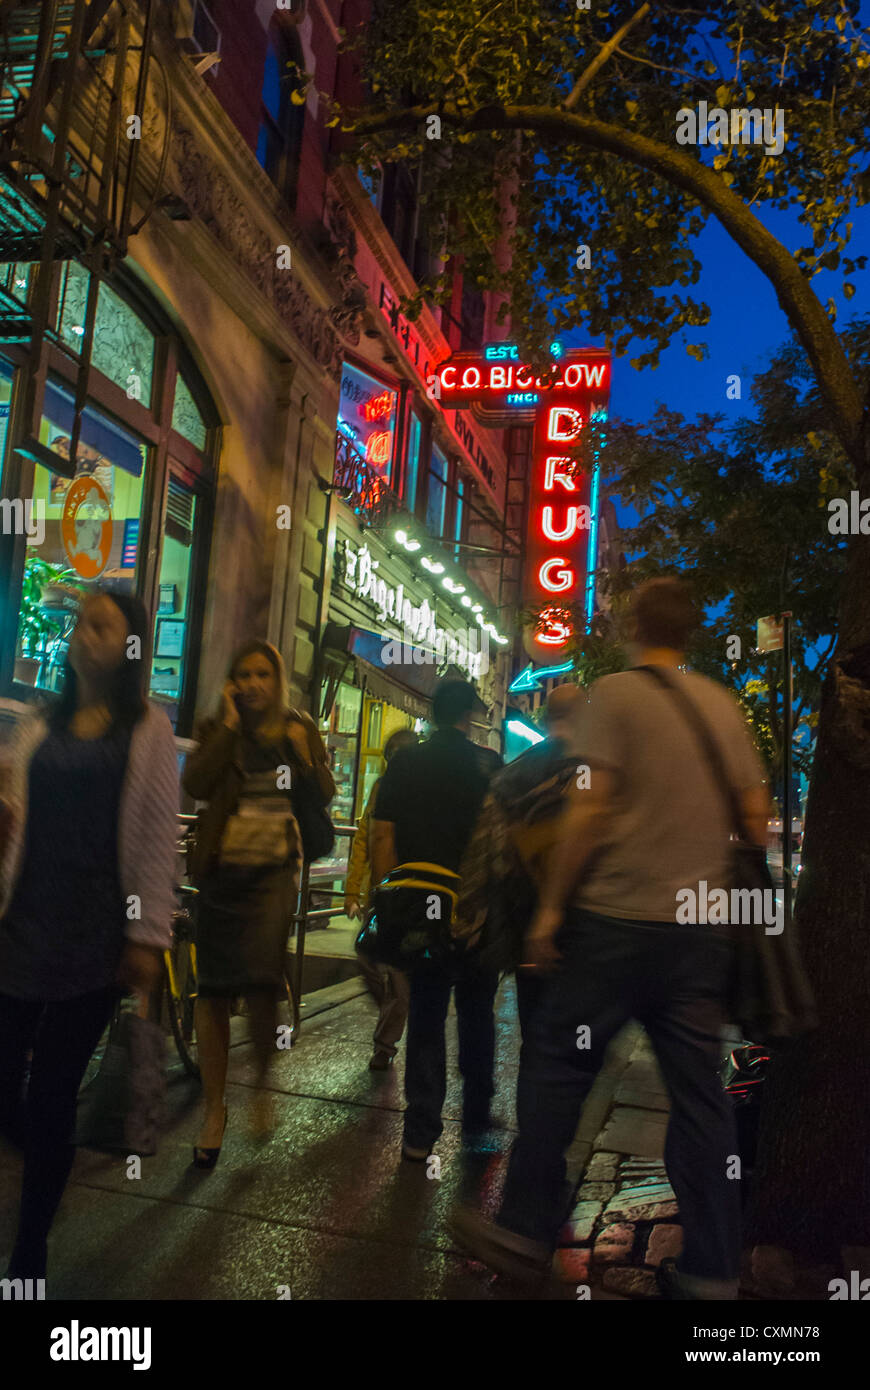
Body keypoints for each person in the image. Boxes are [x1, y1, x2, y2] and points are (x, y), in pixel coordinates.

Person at [449, 578, 770, 1298]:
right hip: (697, 933)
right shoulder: (721, 707)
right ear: (690, 631)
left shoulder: (615, 699)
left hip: (616, 927)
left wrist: (552, 911)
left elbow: (588, 813)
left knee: (558, 1071)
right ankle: (712, 1268)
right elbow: (755, 819)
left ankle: (526, 1230)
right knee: (699, 1102)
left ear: (633, 624)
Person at [0, 591, 179, 1283]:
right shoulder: (43, 722)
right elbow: (17, 811)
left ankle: (29, 1250)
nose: (83, 636)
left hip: (95, 935)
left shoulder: (148, 730)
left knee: (52, 1091)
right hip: (21, 923)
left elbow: (158, 839)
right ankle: (48, 1155)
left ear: (130, 646)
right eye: (80, 624)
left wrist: (147, 936)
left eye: (101, 626)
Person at [182, 640, 334, 1164]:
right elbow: (196, 782)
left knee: (262, 980)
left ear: (277, 679)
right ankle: (215, 1108)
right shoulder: (218, 732)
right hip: (222, 873)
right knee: (213, 991)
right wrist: (225, 726)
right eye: (242, 675)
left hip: (273, 875)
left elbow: (324, 794)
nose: (251, 684)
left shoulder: (297, 729)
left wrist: (304, 750)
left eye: (262, 674)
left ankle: (264, 1081)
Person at [371, 680, 498, 1161]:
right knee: (476, 1010)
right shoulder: (489, 765)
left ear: (431, 710)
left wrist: (386, 904)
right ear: (468, 715)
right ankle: (477, 1113)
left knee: (425, 1011)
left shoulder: (406, 763)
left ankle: (420, 1132)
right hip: (476, 908)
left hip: (420, 905)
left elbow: (383, 839)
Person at [455, 683, 583, 1057]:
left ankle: (531, 1108)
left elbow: (487, 853)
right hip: (584, 925)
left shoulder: (514, 774)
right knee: (576, 1043)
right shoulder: (598, 772)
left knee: (535, 1035)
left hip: (527, 922)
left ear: (545, 719)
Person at [344, 726, 418, 1070]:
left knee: (400, 979)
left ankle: (385, 1045)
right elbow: (363, 839)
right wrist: (352, 890)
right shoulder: (379, 789)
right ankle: (392, 1014)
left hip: (408, 898)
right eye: (391, 758)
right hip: (379, 896)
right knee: (366, 958)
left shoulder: (423, 794)